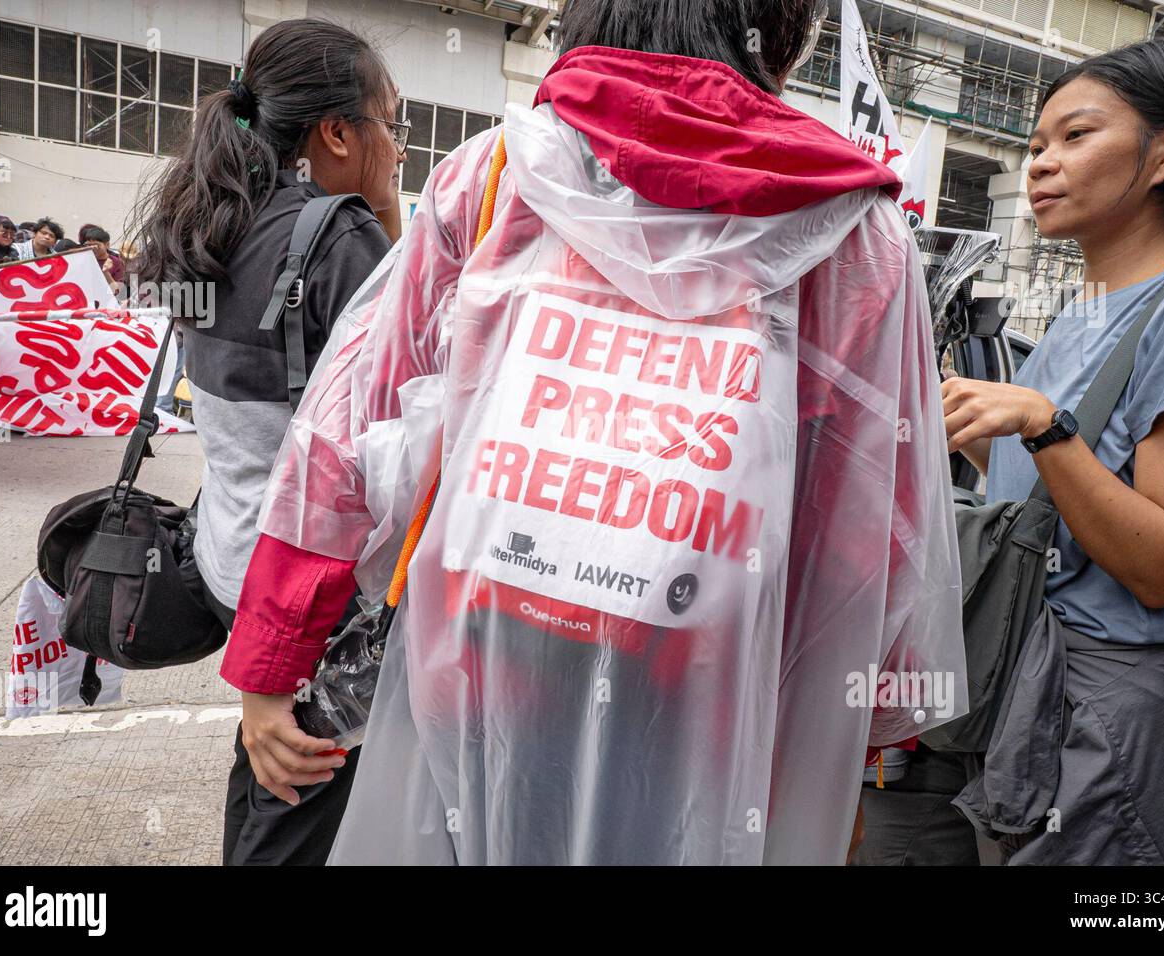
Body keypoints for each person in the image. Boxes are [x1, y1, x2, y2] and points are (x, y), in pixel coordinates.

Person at [221, 0, 966, 865]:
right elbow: (869, 524)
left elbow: (350, 429)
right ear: (782, 36)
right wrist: (844, 750)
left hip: (486, 669)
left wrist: (273, 663)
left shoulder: (496, 174)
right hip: (707, 709)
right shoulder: (859, 232)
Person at [863, 37, 1164, 866]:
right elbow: (1040, 510)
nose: (1041, 164)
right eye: (1036, 145)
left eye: (1075, 137)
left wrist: (1043, 423)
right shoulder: (1077, 318)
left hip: (1107, 699)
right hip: (1008, 672)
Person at [135, 16, 403, 866]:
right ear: (335, 132)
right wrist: (385, 223)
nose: (396, 146)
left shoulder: (210, 218)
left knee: (269, 769)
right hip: (302, 592)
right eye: (388, 122)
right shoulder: (335, 237)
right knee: (293, 803)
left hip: (226, 553)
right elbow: (395, 410)